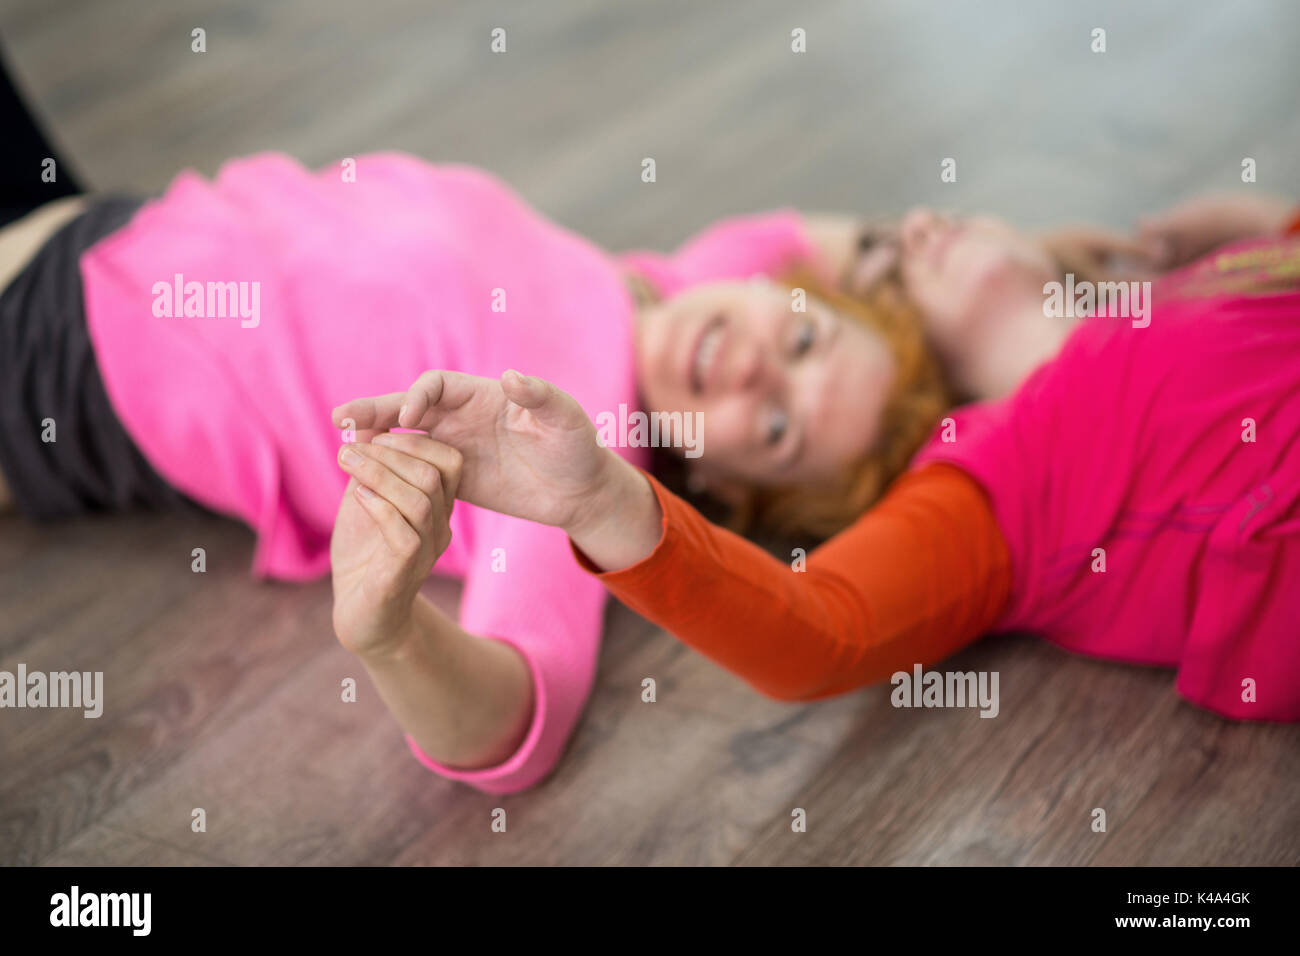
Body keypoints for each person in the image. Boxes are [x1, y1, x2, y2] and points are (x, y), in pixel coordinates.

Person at [334, 195, 1300, 734]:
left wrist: (1255, 228)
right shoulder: (1000, 474)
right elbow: (816, 630)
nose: (917, 223)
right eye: (891, 262)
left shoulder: (1216, 276)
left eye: (804, 345)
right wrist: (602, 500)